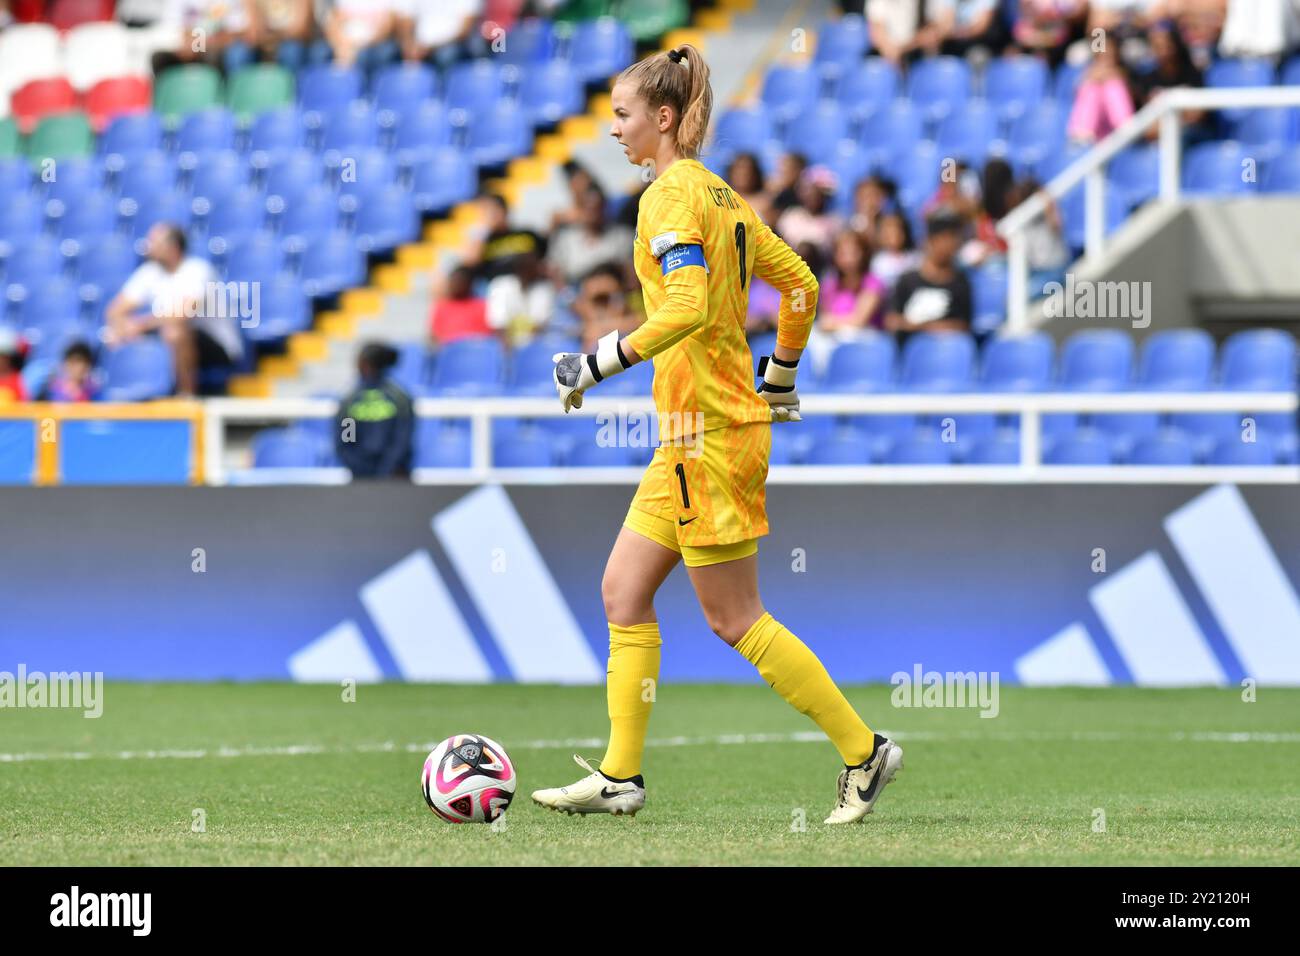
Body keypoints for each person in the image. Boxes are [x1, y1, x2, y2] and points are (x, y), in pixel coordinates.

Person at [534, 44, 903, 824]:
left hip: (706, 435)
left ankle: (864, 752)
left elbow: (688, 306)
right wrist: (782, 378)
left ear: (663, 118)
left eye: (624, 116)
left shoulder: (668, 198)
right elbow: (800, 286)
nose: (616, 131)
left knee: (734, 618)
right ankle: (620, 776)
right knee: (623, 591)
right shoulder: (724, 197)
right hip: (694, 434)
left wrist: (594, 363)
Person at [105, 222, 244, 397]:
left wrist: (139, 325)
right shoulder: (149, 272)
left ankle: (186, 395)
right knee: (112, 333)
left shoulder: (198, 270)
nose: (149, 247)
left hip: (215, 345)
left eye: (155, 242)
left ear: (173, 247)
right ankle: (132, 395)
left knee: (175, 331)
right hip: (167, 336)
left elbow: (183, 314)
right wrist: (124, 328)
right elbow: (114, 311)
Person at [884, 207, 973, 341]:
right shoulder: (907, 280)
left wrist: (919, 326)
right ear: (930, 241)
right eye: (944, 239)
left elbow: (962, 326)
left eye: (953, 238)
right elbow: (892, 321)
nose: (950, 245)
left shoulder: (961, 282)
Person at [335, 342, 414, 478]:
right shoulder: (400, 397)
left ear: (365, 364)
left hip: (389, 479)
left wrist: (375, 472)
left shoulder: (352, 400)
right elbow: (346, 443)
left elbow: (401, 441)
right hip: (377, 476)